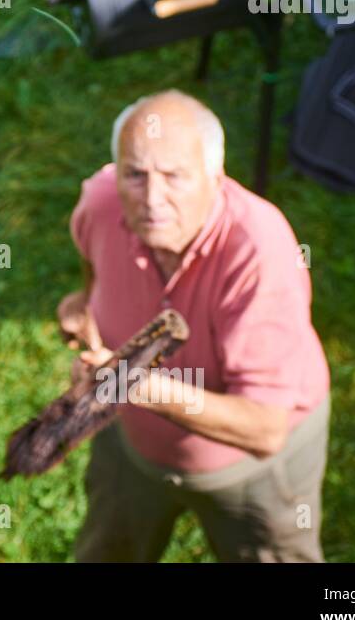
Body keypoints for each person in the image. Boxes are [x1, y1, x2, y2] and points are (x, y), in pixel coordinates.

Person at [59, 89, 331, 562]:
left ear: (215, 176)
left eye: (174, 177)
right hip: (130, 444)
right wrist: (86, 303)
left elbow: (265, 429)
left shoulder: (260, 255)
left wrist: (134, 385)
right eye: (135, 175)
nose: (152, 200)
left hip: (246, 472)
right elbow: (90, 257)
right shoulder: (102, 201)